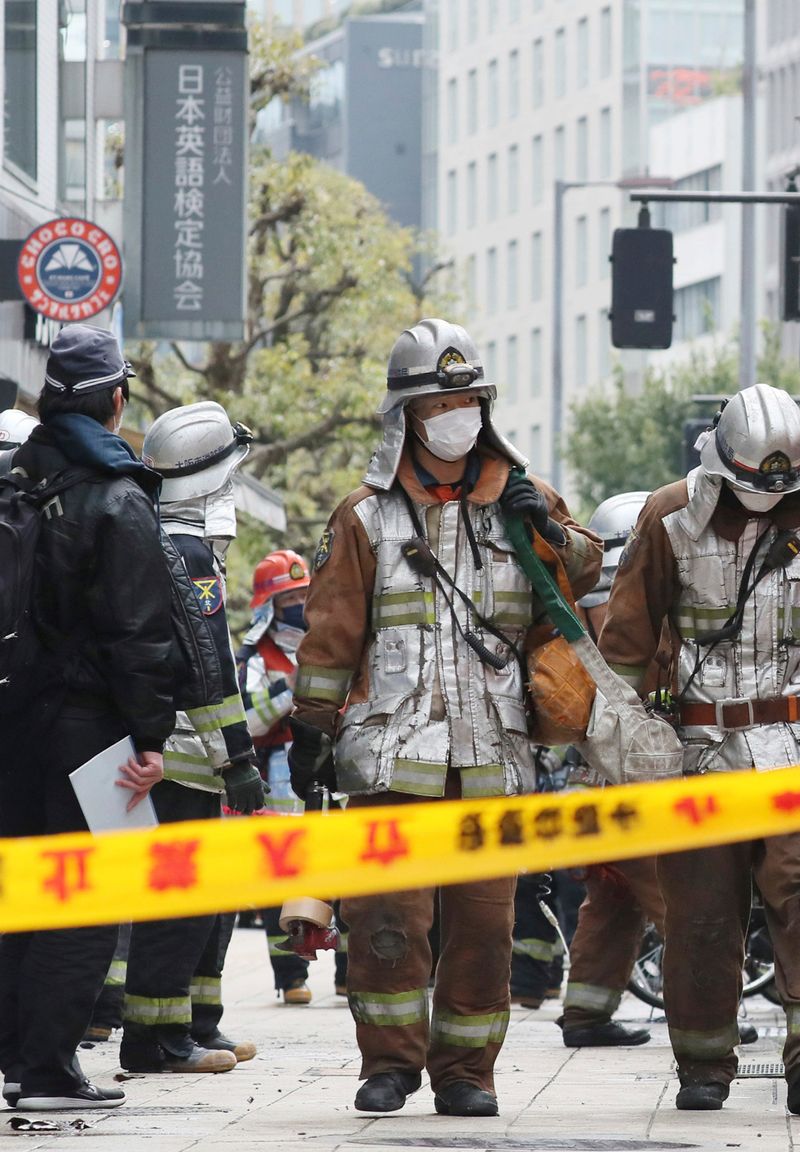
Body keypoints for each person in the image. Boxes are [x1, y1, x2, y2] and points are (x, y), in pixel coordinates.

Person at [288, 318, 599, 1118]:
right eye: (439, 403)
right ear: (408, 416)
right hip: (391, 756)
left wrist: (549, 531)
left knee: (485, 930)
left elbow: (590, 573)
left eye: (467, 401)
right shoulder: (364, 516)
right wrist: (311, 726)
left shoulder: (525, 500)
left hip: (494, 756)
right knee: (387, 922)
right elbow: (330, 632)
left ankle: (467, 1073)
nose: (456, 416)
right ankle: (389, 1065)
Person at [600, 383, 800, 1116]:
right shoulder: (670, 518)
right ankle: (704, 1064)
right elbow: (627, 639)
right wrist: (617, 739)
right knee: (702, 916)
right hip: (701, 754)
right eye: (755, 485)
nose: (770, 497)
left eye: (783, 485)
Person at [0, 327, 185, 1111]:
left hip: (13, 724)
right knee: (84, 898)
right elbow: (140, 634)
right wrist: (151, 737)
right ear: (117, 399)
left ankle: (16, 1061)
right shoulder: (117, 496)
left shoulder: (15, 485)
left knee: (20, 893)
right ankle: (48, 1072)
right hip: (93, 732)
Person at [120, 401, 267, 1075]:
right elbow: (211, 669)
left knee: (189, 902)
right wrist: (237, 759)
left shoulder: (153, 541)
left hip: (165, 756)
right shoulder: (190, 554)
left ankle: (188, 1026)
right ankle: (161, 1039)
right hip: (184, 760)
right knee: (181, 904)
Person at [553, 490, 671, 1048]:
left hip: (598, 779)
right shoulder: (626, 607)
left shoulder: (580, 609)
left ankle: (586, 1013)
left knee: (613, 903)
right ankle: (704, 1011)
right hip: (633, 781)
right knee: (679, 899)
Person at [238, 549, 352, 1003]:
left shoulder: (331, 645)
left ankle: (349, 974)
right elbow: (247, 720)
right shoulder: (258, 658)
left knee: (348, 877)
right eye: (290, 598)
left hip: (333, 777)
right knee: (279, 884)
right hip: (280, 787)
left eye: (305, 595)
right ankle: (291, 978)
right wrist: (291, 688)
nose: (300, 605)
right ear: (271, 605)